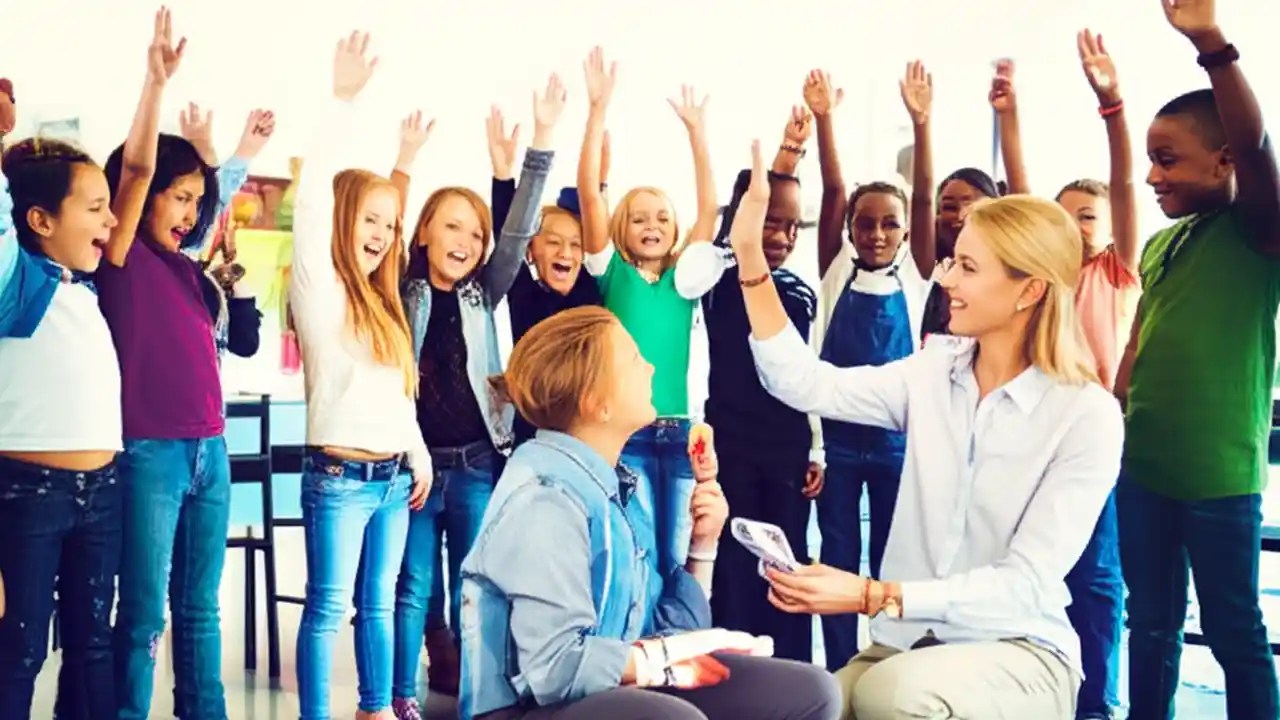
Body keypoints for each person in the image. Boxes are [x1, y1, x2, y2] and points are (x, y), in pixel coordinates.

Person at [731, 139, 1123, 719]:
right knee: (814, 701)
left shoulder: (1086, 415)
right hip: (910, 640)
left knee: (891, 695)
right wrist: (749, 257)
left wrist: (871, 596)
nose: (946, 281)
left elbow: (1022, 583)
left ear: (1030, 290)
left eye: (967, 267)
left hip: (1019, 652)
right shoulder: (935, 369)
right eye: (951, 262)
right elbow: (806, 383)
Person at [457, 305, 841, 720]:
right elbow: (555, 670)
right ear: (596, 403)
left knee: (813, 691)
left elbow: (667, 626)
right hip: (528, 709)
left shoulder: (615, 484)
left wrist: (702, 547)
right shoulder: (545, 500)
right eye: (635, 360)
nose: (651, 368)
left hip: (611, 687)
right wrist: (664, 659)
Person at [1115, 2, 1280, 718]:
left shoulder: (1256, 233)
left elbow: (1257, 147)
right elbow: (1137, 344)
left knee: (1234, 629)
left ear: (1223, 161)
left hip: (1218, 477)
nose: (1153, 176)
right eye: (1150, 159)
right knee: (1149, 625)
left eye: (1167, 159)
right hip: (1144, 468)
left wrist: (1212, 46)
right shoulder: (1160, 246)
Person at [389, 78, 561, 719]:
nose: (465, 240)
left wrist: (537, 148)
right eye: (451, 226)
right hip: (412, 469)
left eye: (474, 231)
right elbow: (379, 222)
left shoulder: (480, 294)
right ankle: (402, 698)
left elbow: (517, 236)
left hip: (475, 464)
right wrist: (403, 163)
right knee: (411, 588)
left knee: (475, 586)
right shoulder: (399, 291)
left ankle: (474, 700)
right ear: (426, 232)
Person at [990, 33, 1140, 720]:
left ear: (1110, 231)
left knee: (1100, 580)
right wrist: (1008, 114)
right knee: (1024, 570)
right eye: (1065, 217)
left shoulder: (1115, 273)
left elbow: (1126, 184)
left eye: (1088, 217)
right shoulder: (1041, 278)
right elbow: (1022, 194)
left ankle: (1096, 703)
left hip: (1089, 439)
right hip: (1029, 436)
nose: (1074, 226)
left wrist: (1112, 107)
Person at [289, 32, 432, 720]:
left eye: (391, 223)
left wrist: (419, 453)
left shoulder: (383, 302)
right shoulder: (320, 291)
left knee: (376, 607)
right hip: (340, 479)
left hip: (392, 479)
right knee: (328, 610)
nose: (381, 232)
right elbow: (314, 199)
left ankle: (375, 711)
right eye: (370, 219)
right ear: (346, 220)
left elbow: (395, 393)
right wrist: (339, 101)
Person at [672, 106, 821, 663]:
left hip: (785, 448)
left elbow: (809, 380)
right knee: (735, 557)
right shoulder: (712, 276)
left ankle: (791, 669)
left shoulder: (802, 293)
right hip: (729, 441)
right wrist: (784, 152)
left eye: (791, 227)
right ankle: (733, 664)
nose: (781, 236)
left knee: (786, 558)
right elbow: (746, 213)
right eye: (770, 223)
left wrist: (817, 449)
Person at [579, 46, 720, 578]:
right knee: (637, 555)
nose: (652, 225)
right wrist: (597, 111)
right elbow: (592, 196)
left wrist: (696, 133)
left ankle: (674, 650)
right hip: (629, 433)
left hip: (680, 432)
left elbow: (708, 210)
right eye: (638, 218)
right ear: (622, 229)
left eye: (662, 216)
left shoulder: (686, 278)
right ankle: (637, 652)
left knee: (677, 554)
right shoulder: (611, 271)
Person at [0, 135, 120, 718]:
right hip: (28, 493)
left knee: (94, 646)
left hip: (102, 492)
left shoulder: (84, 288)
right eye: (95, 208)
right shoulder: (16, 286)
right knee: (18, 649)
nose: (112, 218)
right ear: (40, 220)